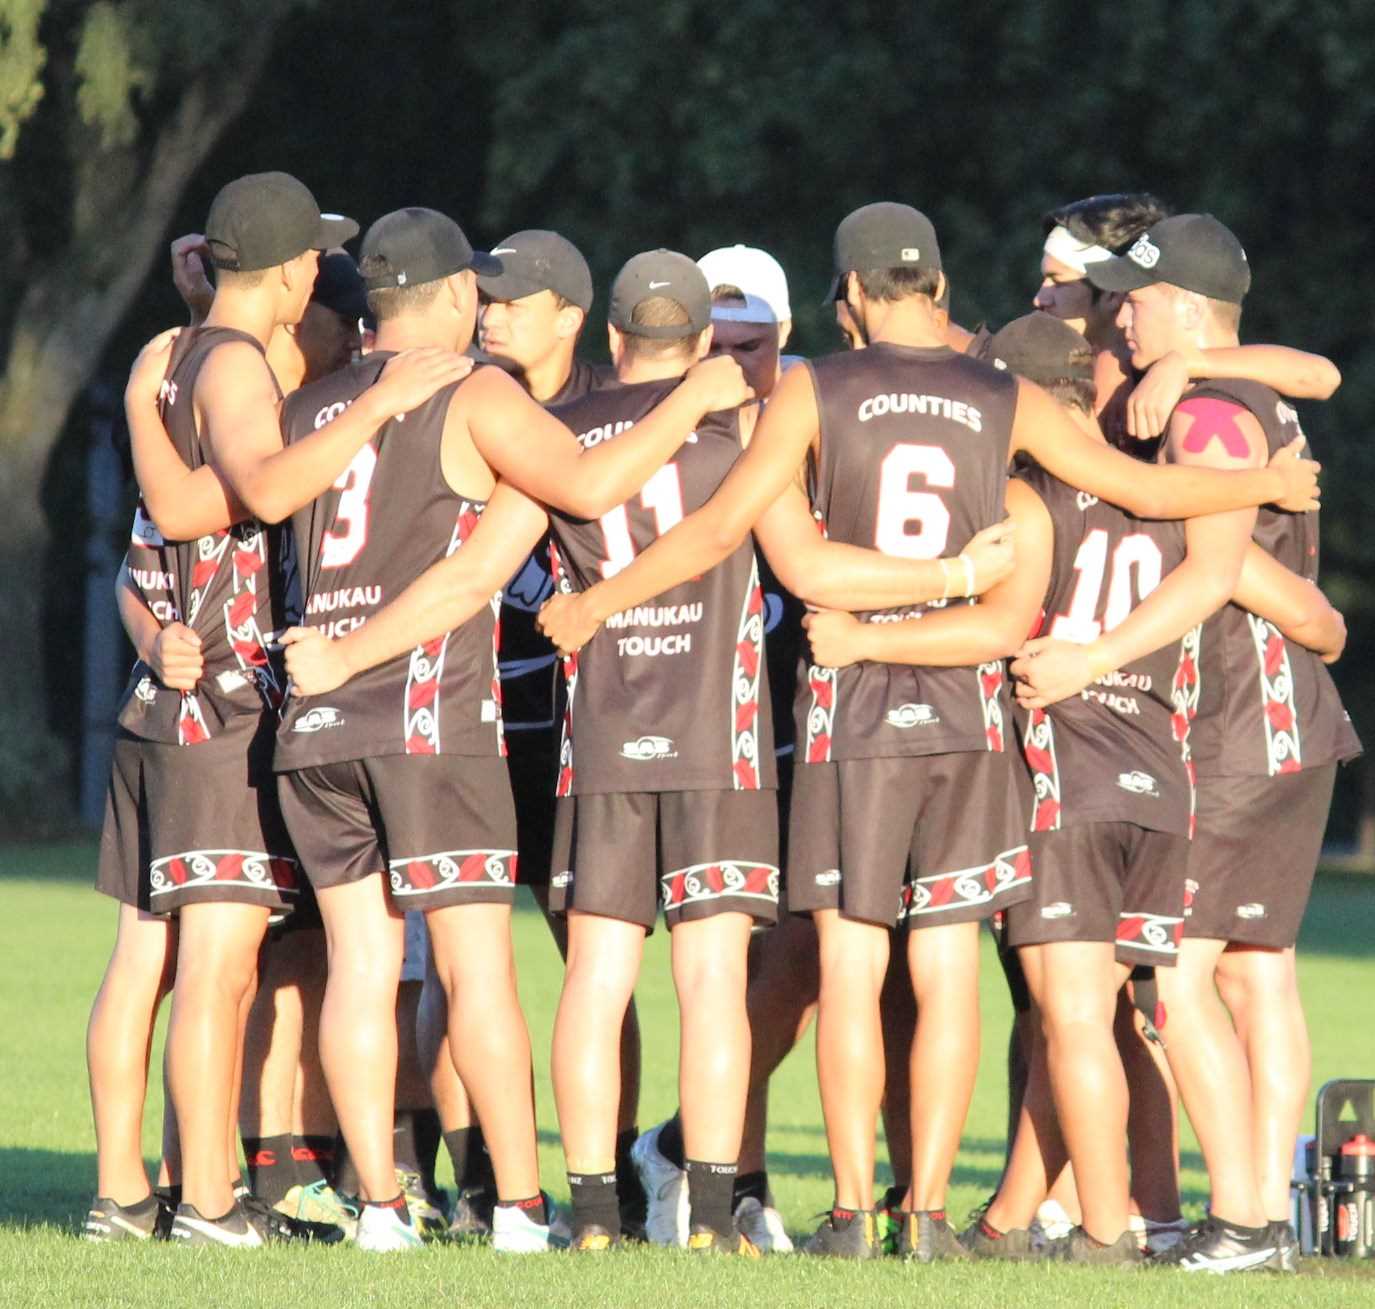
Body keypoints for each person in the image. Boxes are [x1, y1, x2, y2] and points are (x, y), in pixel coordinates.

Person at [535, 201, 1322, 1259]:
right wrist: (1262, 481)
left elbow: (754, 543)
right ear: (941, 291)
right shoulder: (998, 391)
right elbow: (1133, 485)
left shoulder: (815, 384)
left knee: (852, 967)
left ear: (851, 296)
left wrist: (597, 600)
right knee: (949, 966)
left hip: (851, 709)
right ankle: (932, 1216)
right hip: (964, 714)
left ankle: (855, 1214)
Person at [279, 246, 1018, 1254]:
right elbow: (788, 556)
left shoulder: (552, 437)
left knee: (596, 976)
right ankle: (708, 1217)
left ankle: (587, 1217)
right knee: (713, 981)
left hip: (606, 744)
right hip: (721, 740)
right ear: (700, 342)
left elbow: (479, 570)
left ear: (611, 337)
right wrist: (953, 571)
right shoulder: (747, 432)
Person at [88, 171, 478, 1249]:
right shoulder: (242, 368)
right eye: (313, 259)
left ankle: (125, 1193)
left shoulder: (160, 358)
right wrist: (382, 405)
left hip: (154, 702)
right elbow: (258, 490)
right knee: (215, 967)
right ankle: (210, 1202)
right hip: (221, 703)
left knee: (141, 962)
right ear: (296, 266)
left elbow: (158, 523)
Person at [1016, 214, 1359, 1272]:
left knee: (1178, 976)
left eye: (1138, 297)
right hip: (1289, 713)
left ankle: (1245, 1221)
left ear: (1188, 308)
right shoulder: (1240, 387)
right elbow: (1320, 378)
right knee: (1260, 977)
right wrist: (1307, 608)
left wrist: (1087, 657)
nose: (1122, 311)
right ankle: (1260, 1214)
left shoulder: (1205, 409)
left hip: (1239, 722)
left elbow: (1213, 570)